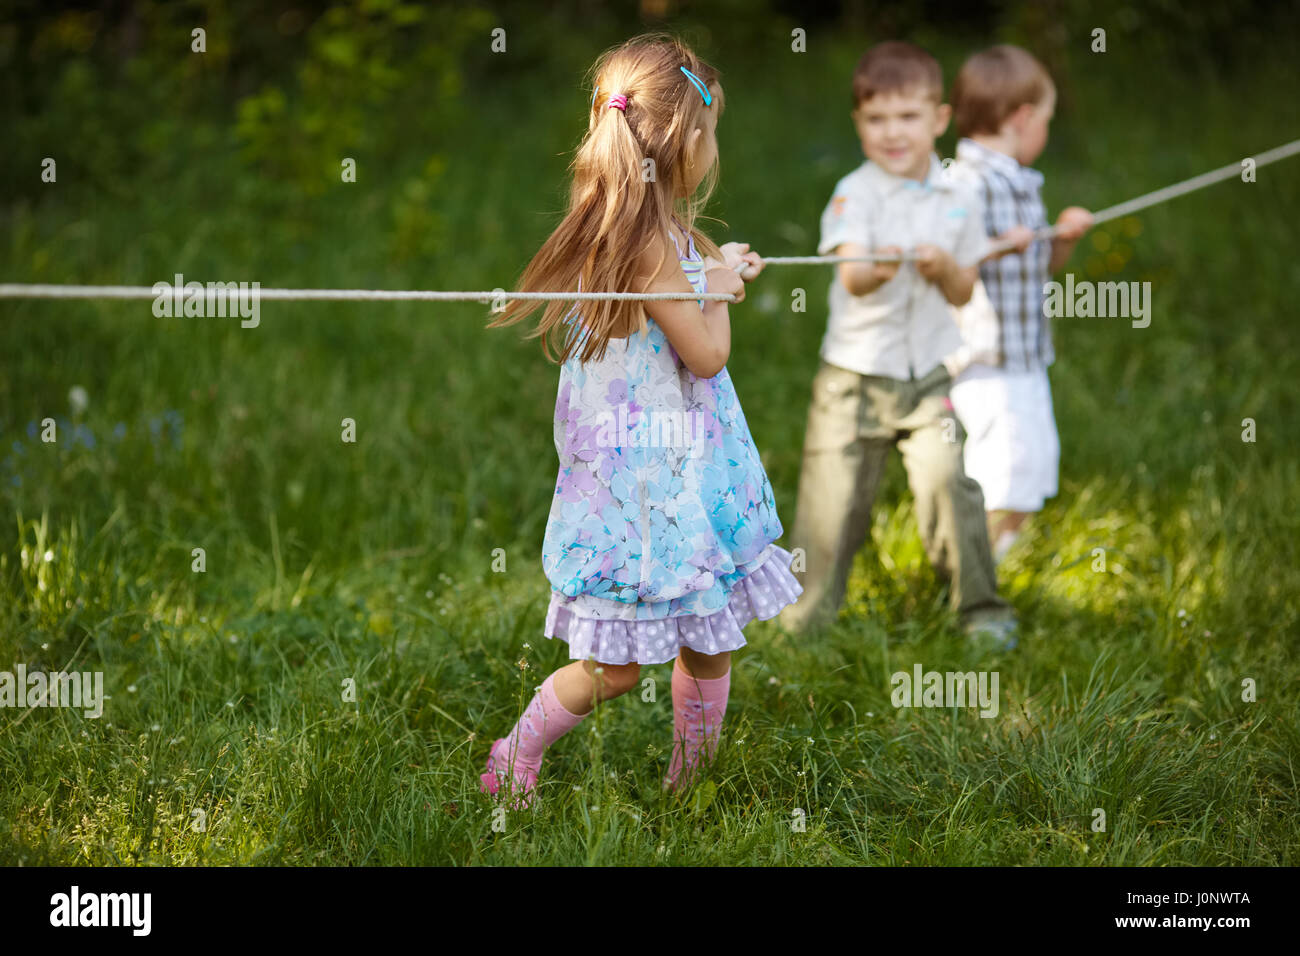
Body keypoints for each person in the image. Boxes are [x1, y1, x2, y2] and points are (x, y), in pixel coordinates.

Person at [481, 35, 802, 807]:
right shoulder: (650, 249)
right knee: (618, 668)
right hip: (645, 490)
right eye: (711, 129)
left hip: (681, 474)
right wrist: (718, 294)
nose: (714, 146)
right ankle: (514, 752)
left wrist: (720, 266)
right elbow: (706, 356)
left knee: (709, 636)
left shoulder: (645, 229)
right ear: (687, 140)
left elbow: (693, 277)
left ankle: (689, 783)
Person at [778, 40, 1017, 647]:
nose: (893, 133)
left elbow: (964, 292)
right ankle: (803, 623)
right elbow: (853, 277)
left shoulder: (960, 196)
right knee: (832, 501)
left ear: (939, 120)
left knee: (948, 481)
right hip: (852, 378)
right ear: (858, 125)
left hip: (929, 374)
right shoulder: (854, 193)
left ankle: (979, 609)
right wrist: (880, 263)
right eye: (876, 119)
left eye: (908, 117)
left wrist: (943, 269)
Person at [945, 45, 1094, 562]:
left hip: (1026, 354)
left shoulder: (1021, 182)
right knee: (999, 471)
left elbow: (1034, 266)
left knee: (1031, 467)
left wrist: (1064, 240)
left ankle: (994, 564)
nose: (1046, 132)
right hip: (987, 357)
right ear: (1025, 118)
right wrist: (994, 245)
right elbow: (946, 259)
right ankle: (971, 576)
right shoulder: (965, 181)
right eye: (1047, 120)